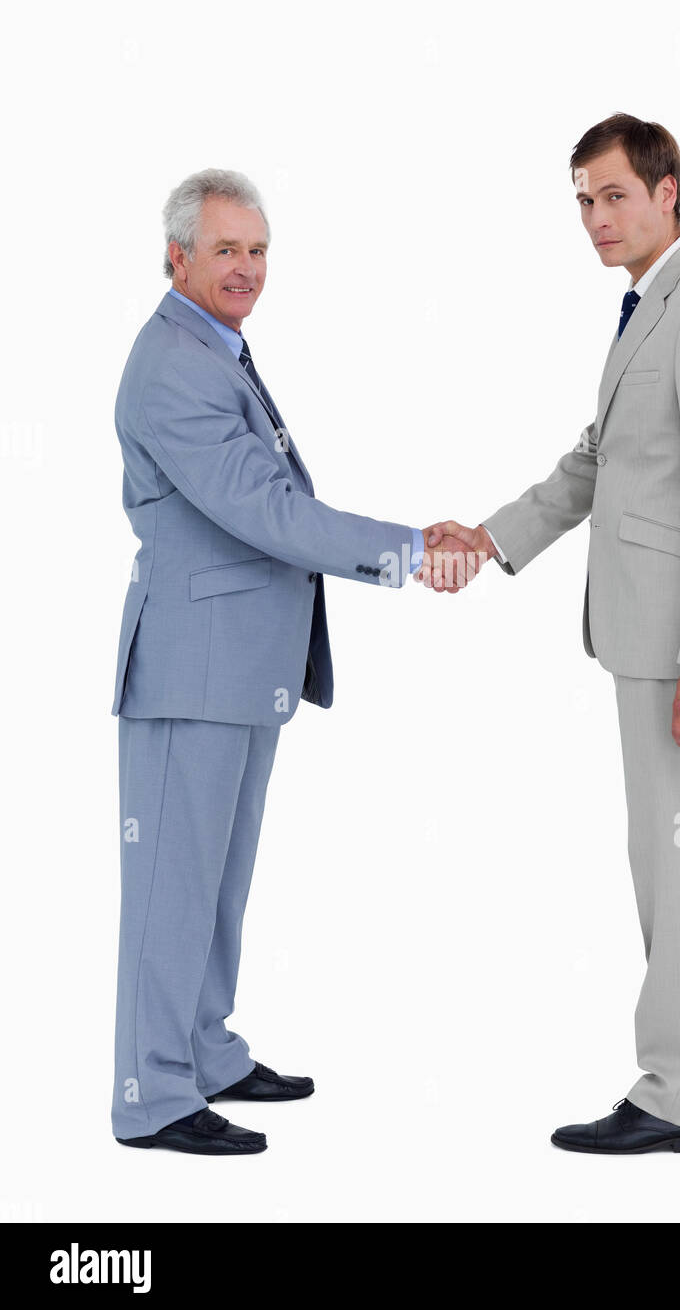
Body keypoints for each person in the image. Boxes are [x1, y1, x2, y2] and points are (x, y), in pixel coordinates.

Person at [419, 112, 680, 1155]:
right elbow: (597, 462)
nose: (593, 217)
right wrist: (487, 537)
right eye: (581, 200)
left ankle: (679, 1091)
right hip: (650, 632)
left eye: (612, 194)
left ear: (667, 188)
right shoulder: (647, 306)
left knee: (671, 856)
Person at [110, 168, 470, 1155]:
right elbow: (264, 512)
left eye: (257, 249)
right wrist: (406, 548)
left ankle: (206, 1050)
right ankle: (150, 1093)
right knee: (171, 887)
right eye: (224, 249)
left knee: (217, 879)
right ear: (175, 257)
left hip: (234, 666)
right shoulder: (173, 365)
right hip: (192, 667)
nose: (246, 268)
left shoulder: (214, 348)